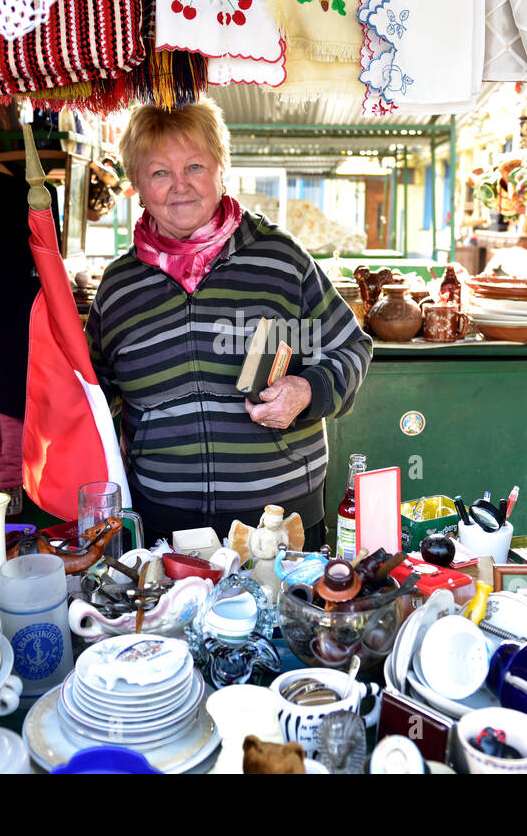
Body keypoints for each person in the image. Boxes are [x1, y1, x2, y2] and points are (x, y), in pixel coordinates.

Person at [87, 99, 372, 551]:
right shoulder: (119, 287)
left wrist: (307, 392)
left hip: (279, 519)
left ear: (222, 169)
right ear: (138, 185)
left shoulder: (280, 258)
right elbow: (96, 396)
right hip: (166, 524)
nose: (179, 186)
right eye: (159, 172)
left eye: (195, 166)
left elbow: (351, 348)